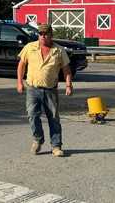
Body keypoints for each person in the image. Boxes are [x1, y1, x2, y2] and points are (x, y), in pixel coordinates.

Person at [16, 23, 73, 157]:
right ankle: (38, 140)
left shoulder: (59, 51)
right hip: (32, 88)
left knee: (53, 118)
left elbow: (66, 70)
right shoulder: (30, 47)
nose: (42, 36)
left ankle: (56, 146)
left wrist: (69, 85)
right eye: (40, 34)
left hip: (50, 90)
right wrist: (19, 82)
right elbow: (21, 65)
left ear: (51, 35)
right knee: (32, 115)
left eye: (45, 34)